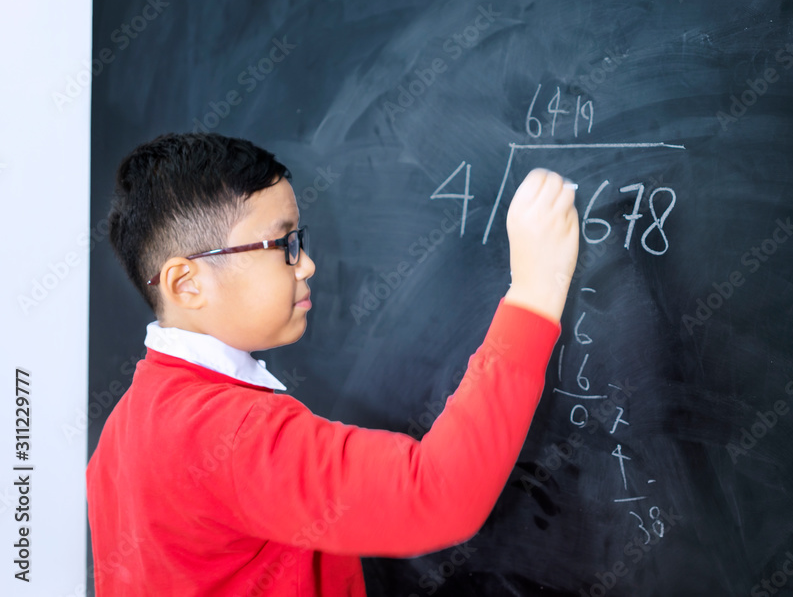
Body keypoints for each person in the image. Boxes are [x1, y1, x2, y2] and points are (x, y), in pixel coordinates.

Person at [86, 132, 579, 595]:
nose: (306, 264)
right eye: (282, 245)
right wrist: (535, 293)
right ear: (186, 283)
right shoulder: (232, 432)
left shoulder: (122, 430)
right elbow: (436, 494)